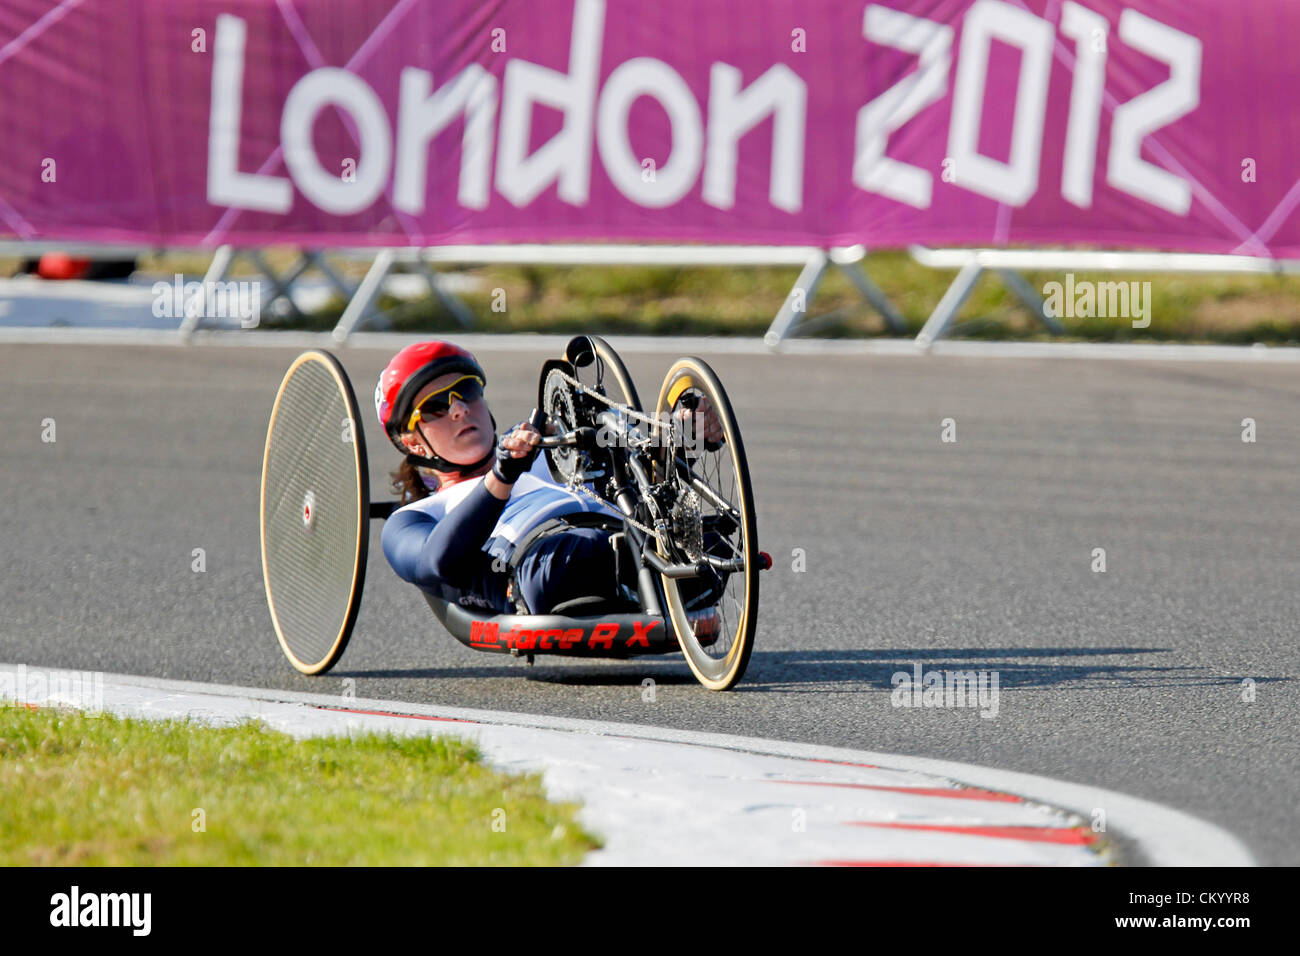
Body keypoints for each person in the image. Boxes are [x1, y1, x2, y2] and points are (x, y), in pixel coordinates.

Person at [376, 340, 726, 618]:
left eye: (467, 391)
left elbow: (640, 474)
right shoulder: (414, 517)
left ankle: (649, 568)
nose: (459, 409)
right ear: (410, 441)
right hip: (548, 563)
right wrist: (502, 476)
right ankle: (643, 574)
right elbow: (437, 565)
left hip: (624, 532)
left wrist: (685, 436)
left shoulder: (547, 443)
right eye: (436, 406)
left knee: (712, 538)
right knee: (575, 555)